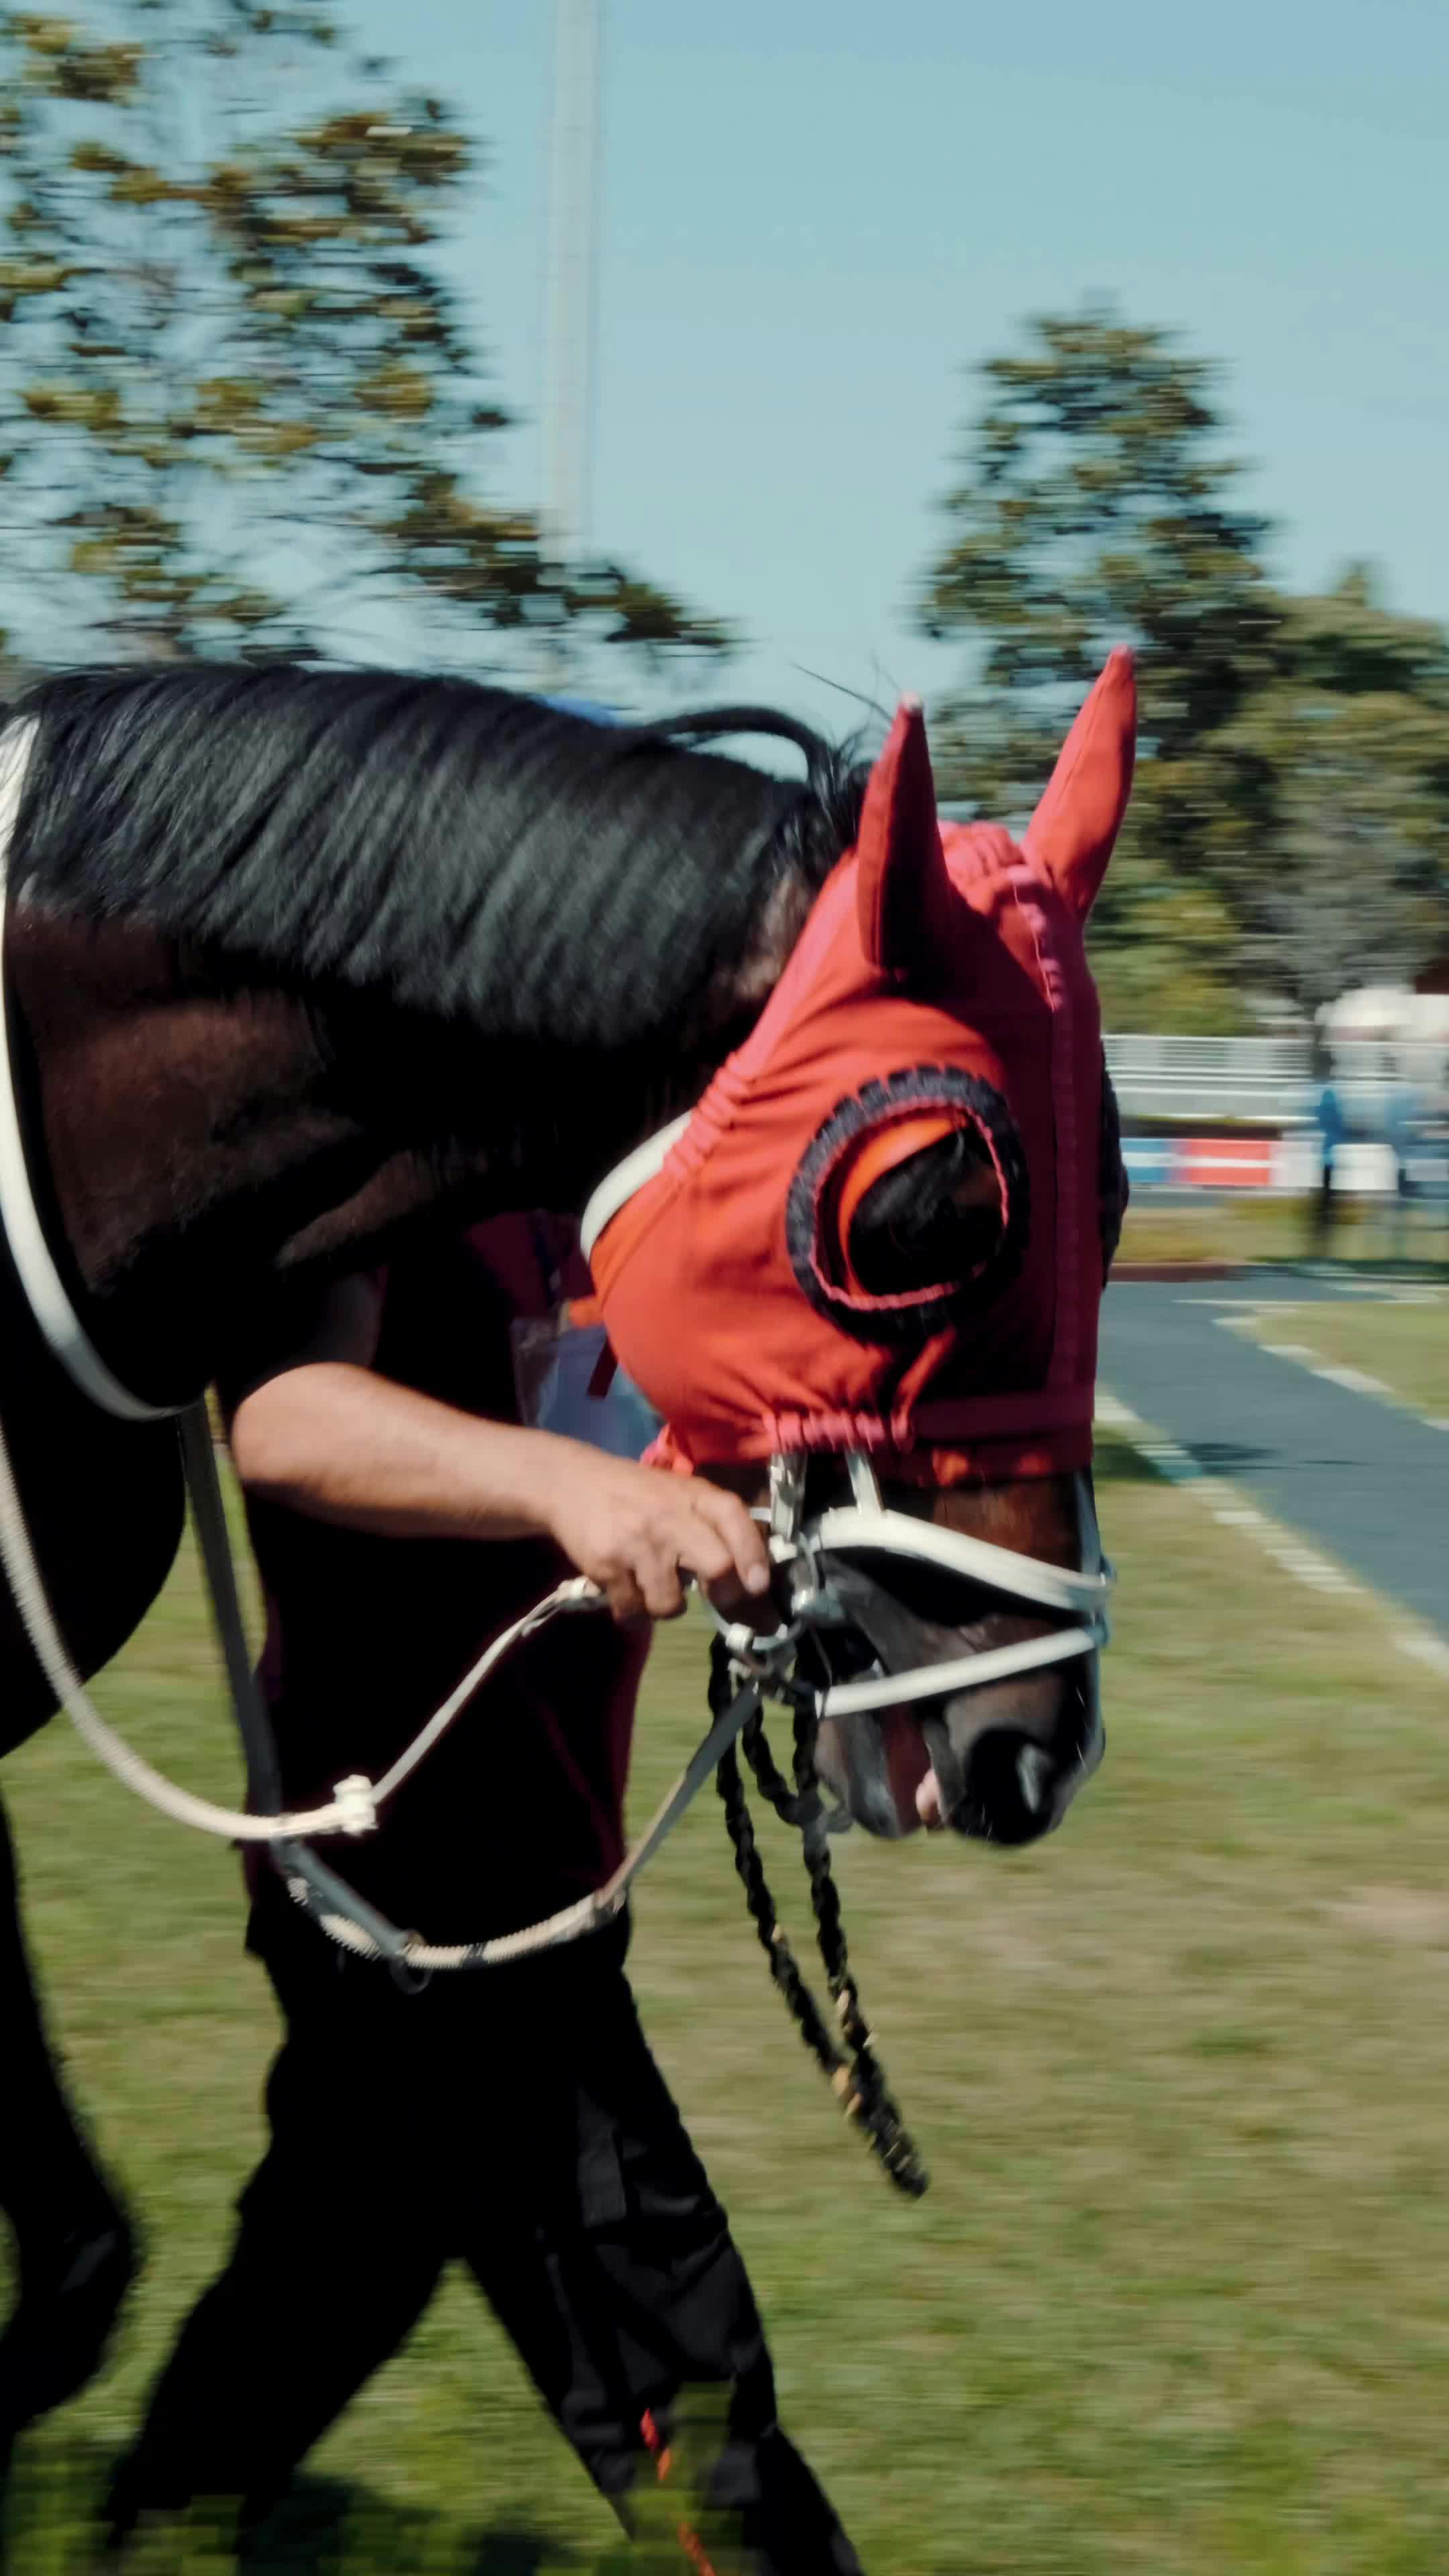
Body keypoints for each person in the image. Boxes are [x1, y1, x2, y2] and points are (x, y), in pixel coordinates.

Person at [104, 1214, 862, 2572]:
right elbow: (280, 1416)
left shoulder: (633, 1194)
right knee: (679, 2371)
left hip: (536, 1870)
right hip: (427, 1908)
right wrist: (568, 1486)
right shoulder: (394, 1144)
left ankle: (126, 2541)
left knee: (333, 2274)